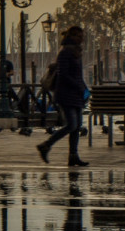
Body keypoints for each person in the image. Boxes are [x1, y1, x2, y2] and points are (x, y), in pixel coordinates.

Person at [38, 26, 89, 167]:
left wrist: (84, 88)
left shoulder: (76, 52)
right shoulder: (65, 52)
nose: (82, 39)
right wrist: (78, 86)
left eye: (82, 36)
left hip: (77, 95)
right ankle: (46, 145)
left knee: (77, 126)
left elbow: (77, 74)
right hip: (66, 94)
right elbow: (63, 74)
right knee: (72, 125)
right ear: (72, 37)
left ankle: (73, 156)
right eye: (79, 36)